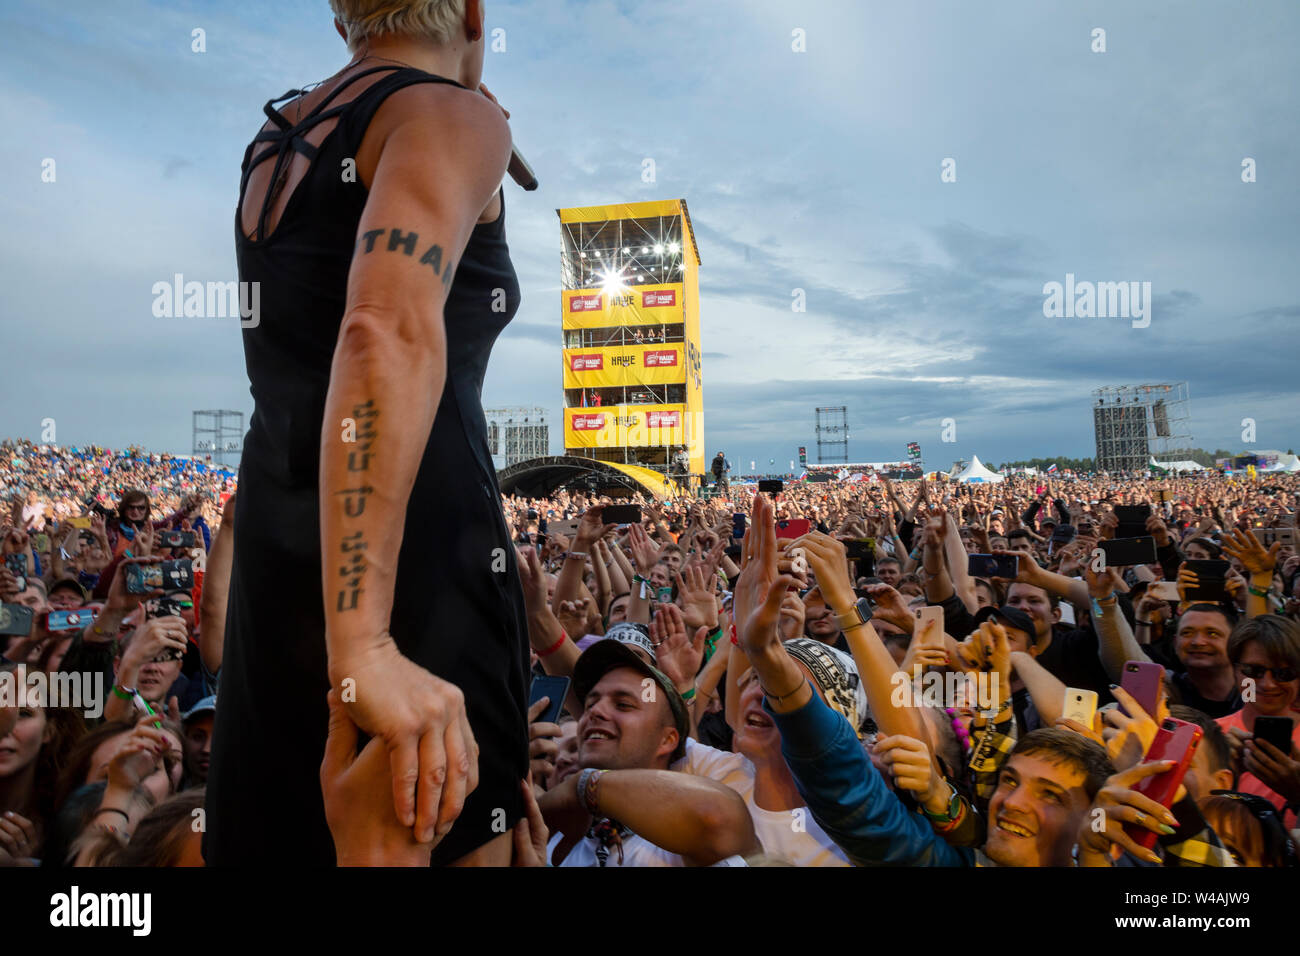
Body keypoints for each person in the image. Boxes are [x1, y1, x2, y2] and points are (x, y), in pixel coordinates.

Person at [207, 0, 528, 866]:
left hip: (282, 568)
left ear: (339, 15)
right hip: (413, 571)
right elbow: (381, 326)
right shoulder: (448, 115)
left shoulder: (276, 144)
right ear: (470, 9)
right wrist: (368, 647)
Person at [538, 639, 759, 866]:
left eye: (623, 705)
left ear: (667, 740)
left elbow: (717, 818)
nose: (595, 711)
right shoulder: (549, 842)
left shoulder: (682, 845)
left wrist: (584, 788)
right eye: (590, 704)